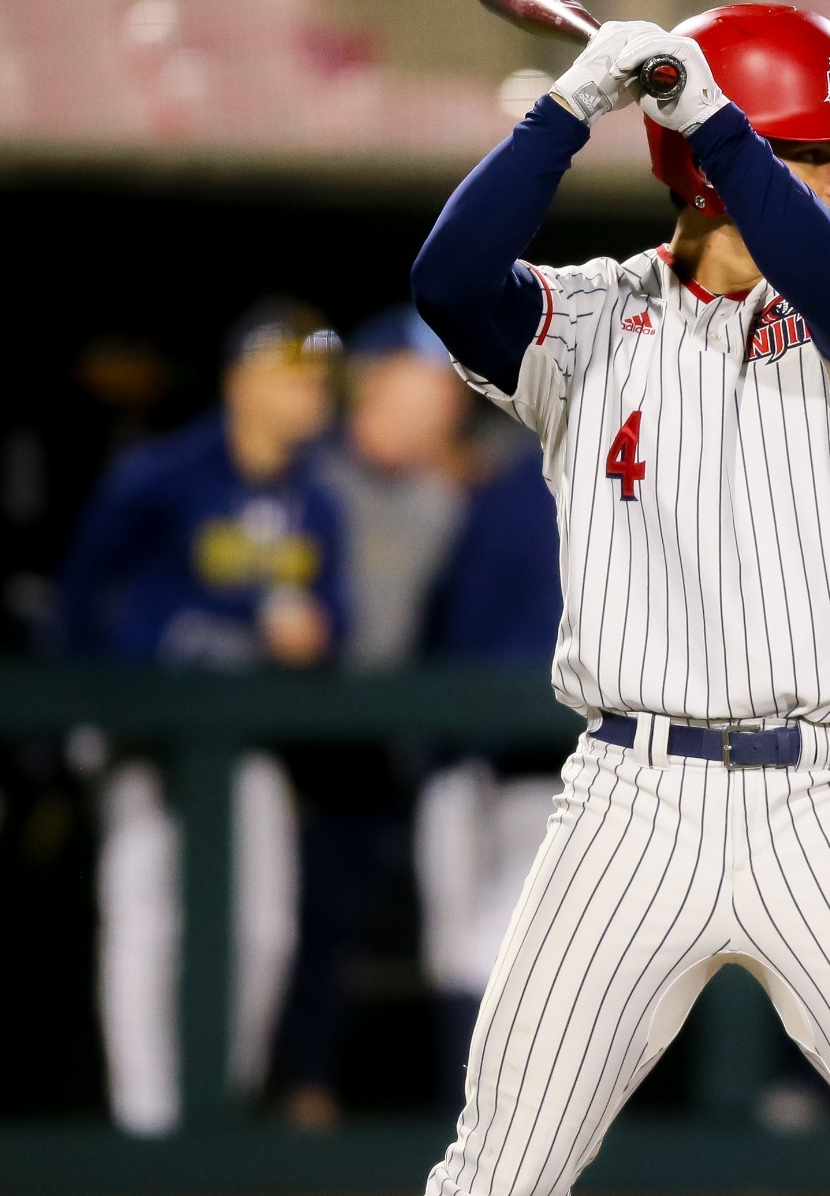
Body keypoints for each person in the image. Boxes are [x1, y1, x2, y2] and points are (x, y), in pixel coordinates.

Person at [408, 6, 830, 1196]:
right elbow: (446, 281)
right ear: (701, 168)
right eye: (815, 149)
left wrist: (713, 121)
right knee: (498, 1172)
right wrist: (562, 112)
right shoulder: (588, 318)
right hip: (628, 801)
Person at [53, 300, 344, 1134]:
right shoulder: (160, 476)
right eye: (292, 374)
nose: (310, 392)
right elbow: (80, 602)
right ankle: (147, 1122)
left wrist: (315, 637)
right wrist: (90, 713)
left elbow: (340, 626)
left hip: (246, 744)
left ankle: (214, 1108)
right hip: (147, 735)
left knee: (261, 927)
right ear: (242, 381)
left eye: (316, 376)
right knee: (147, 917)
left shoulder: (313, 501)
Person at [274, 306, 473, 1129]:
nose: (439, 396)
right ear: (378, 379)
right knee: (272, 924)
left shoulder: (444, 497)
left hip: (384, 742)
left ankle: (316, 1088)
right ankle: (264, 1096)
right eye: (420, 377)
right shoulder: (306, 480)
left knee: (353, 922)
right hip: (281, 734)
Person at [414, 444, 565, 1115]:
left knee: (482, 941)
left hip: (531, 762)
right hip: (506, 760)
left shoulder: (509, 489)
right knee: (476, 943)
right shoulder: (510, 493)